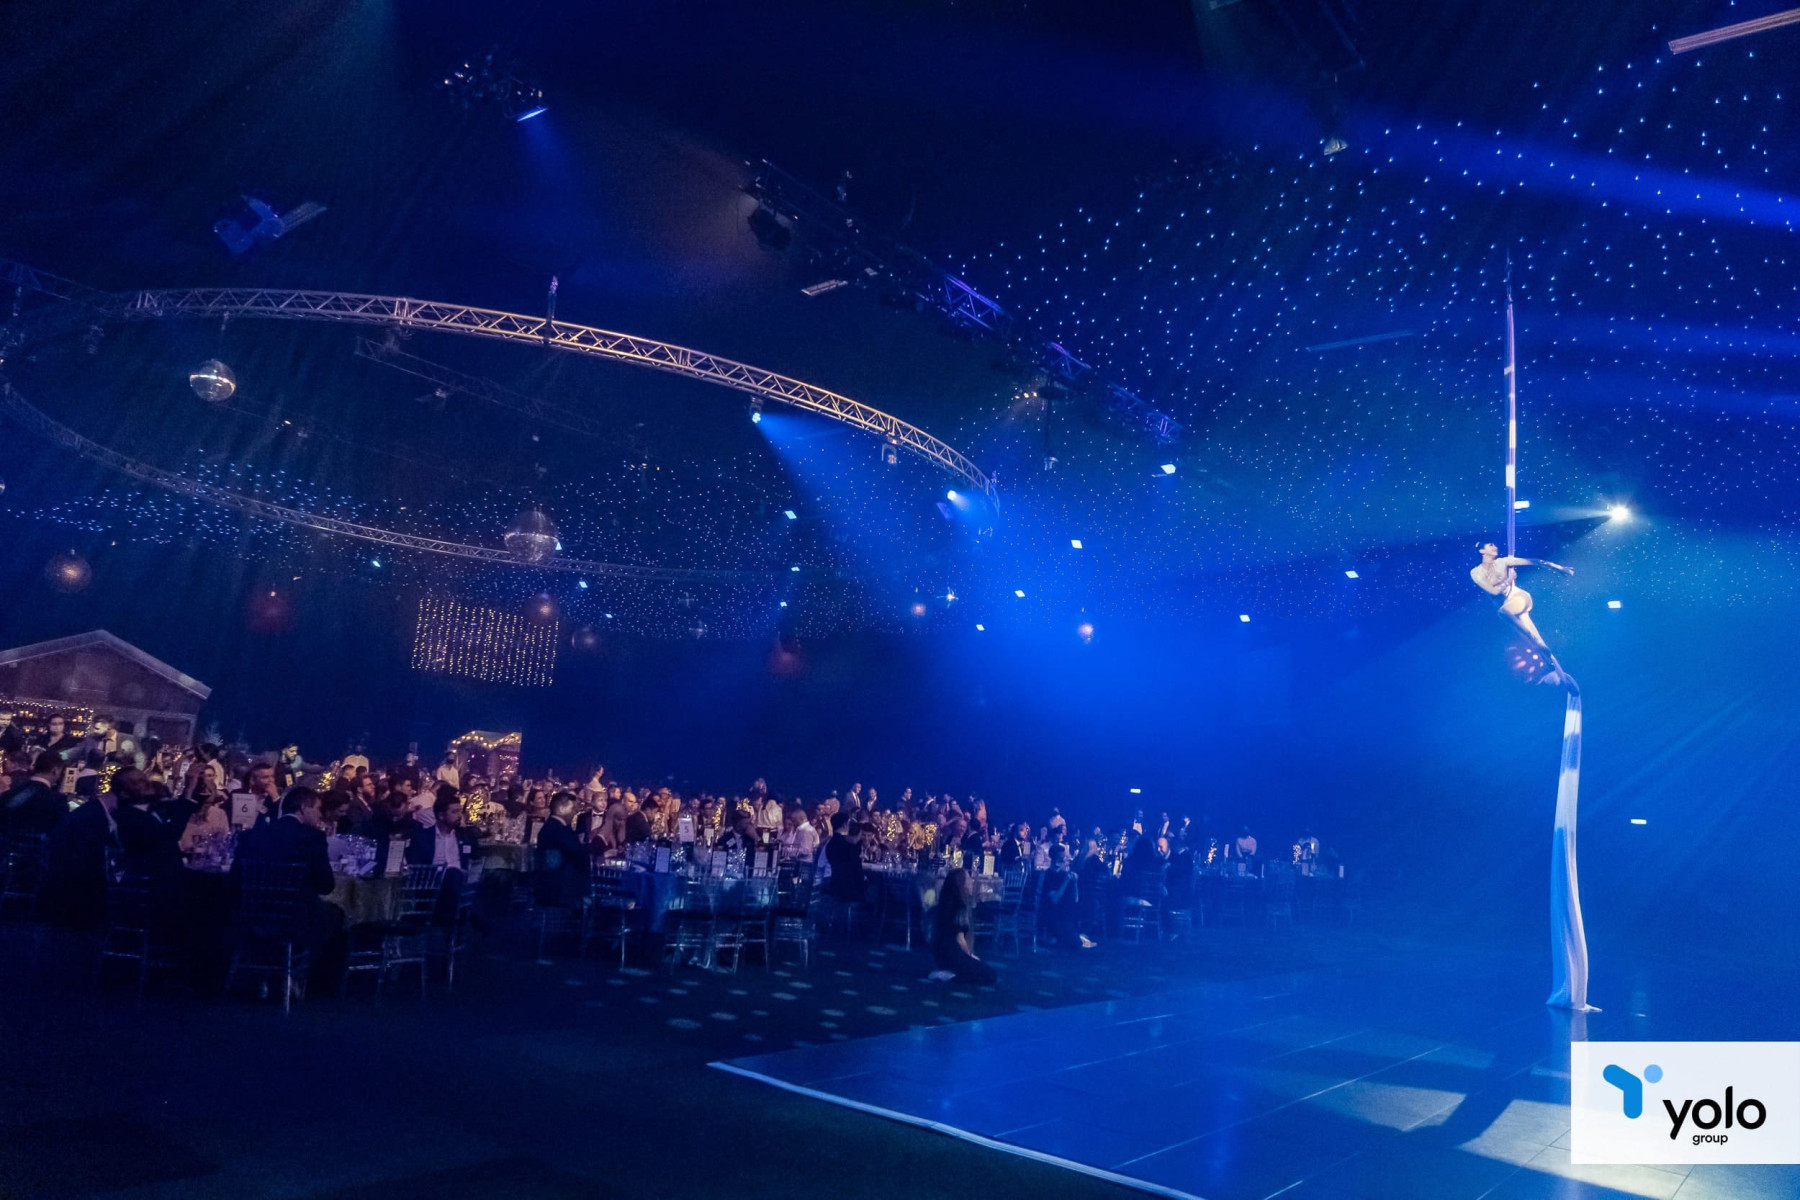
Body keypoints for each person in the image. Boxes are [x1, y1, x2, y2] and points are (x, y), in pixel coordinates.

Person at [1471, 542, 1573, 650]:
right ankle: (1546, 659)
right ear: (1481, 551)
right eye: (1491, 545)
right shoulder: (1476, 572)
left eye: (1495, 545)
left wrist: (1559, 568)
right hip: (1508, 606)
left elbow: (1534, 561)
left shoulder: (1504, 561)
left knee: (1503, 613)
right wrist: (1509, 579)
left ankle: (1530, 637)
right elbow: (1493, 591)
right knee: (1539, 645)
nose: (1495, 547)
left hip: (1519, 598)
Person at [928, 868, 996, 985]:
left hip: (940, 953)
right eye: (968, 880)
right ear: (961, 885)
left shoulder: (946, 902)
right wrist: (970, 955)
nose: (971, 882)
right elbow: (960, 939)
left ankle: (948, 971)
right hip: (953, 954)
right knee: (989, 974)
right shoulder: (960, 906)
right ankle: (948, 976)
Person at [533, 793, 590, 909]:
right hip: (561, 888)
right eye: (573, 808)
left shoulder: (549, 827)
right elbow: (580, 855)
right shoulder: (560, 831)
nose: (575, 812)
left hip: (547, 884)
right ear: (561, 808)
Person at [2, 751, 70, 839]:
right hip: (38, 849)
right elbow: (62, 832)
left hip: (7, 848)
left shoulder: (8, 794)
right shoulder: (57, 800)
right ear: (55, 770)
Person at [1041, 843, 1094, 949]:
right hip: (1054, 914)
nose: (1064, 861)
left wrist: (1074, 883)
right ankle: (1064, 936)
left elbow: (1076, 899)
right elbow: (1054, 899)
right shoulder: (1049, 875)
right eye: (1061, 859)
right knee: (1075, 943)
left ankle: (1069, 935)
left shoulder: (1065, 874)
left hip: (1067, 914)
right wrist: (1065, 882)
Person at [821, 811, 865, 903]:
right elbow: (855, 866)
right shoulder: (848, 845)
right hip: (848, 886)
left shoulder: (830, 843)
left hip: (835, 881)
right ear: (845, 824)